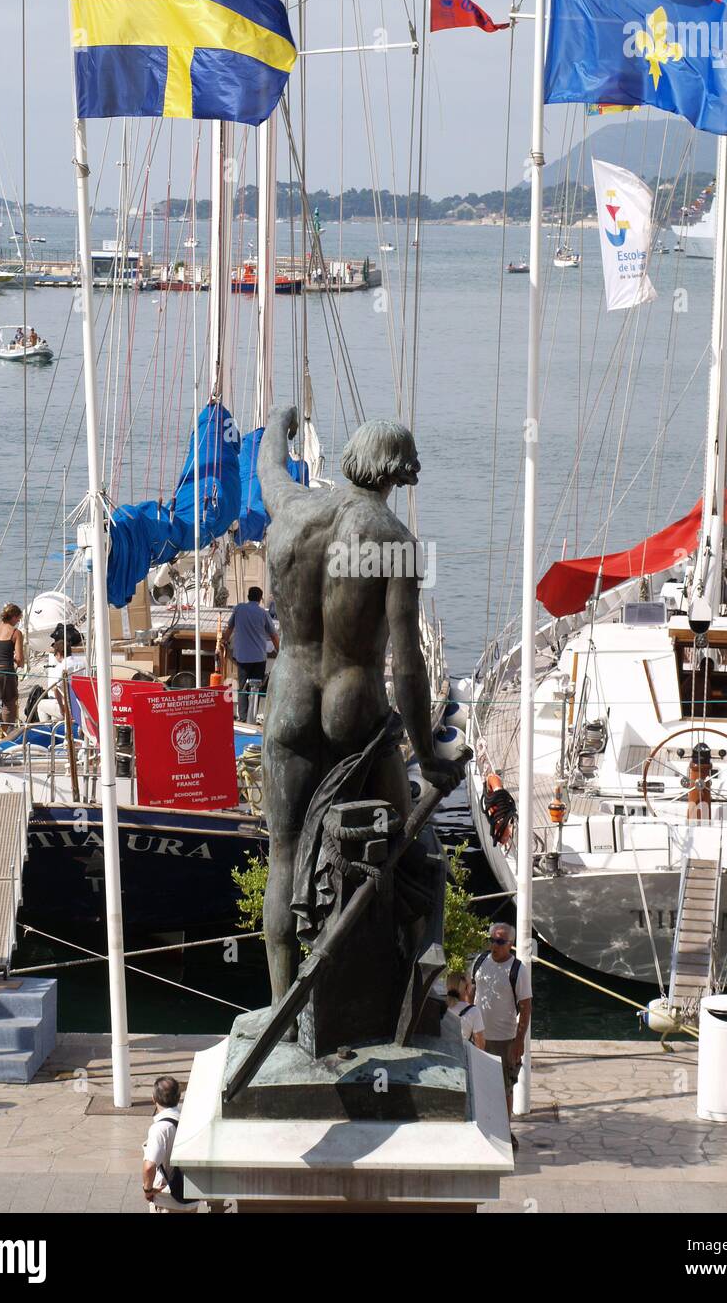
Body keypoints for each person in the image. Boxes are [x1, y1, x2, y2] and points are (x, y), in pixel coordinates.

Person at [257, 407, 469, 1005]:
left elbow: (269, 467)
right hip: (356, 704)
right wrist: (429, 757)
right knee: (407, 852)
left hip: (290, 694)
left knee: (283, 853)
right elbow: (408, 665)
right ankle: (410, 996)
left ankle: (282, 1004)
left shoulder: (291, 509)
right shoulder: (394, 542)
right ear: (398, 473)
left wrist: (280, 423)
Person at [472, 922, 532, 1144]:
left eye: (500, 941)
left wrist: (519, 1041)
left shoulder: (517, 970)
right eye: (492, 940)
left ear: (510, 944)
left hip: (504, 1040)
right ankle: (483, 1128)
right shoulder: (480, 962)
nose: (494, 945)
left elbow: (526, 1006)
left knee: (504, 1088)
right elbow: (471, 992)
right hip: (479, 1037)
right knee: (480, 1086)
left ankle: (505, 1131)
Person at [220, 586, 280, 723]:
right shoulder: (263, 613)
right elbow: (274, 635)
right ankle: (251, 719)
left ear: (248, 596)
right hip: (259, 657)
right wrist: (279, 652)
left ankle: (242, 718)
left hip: (243, 657)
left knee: (242, 688)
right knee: (255, 689)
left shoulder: (239, 609)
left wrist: (224, 640)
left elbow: (229, 628)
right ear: (260, 599)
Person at [141, 1076, 198, 1213]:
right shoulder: (190, 1121)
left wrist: (148, 1190)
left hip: (168, 1201)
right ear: (178, 1097)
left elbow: (149, 1167)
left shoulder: (160, 1129)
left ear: (154, 1098)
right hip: (192, 1196)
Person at [38, 634, 86, 724]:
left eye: (55, 655)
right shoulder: (82, 663)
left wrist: (61, 708)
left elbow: (55, 689)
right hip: (83, 706)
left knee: (41, 705)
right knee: (53, 710)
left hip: (69, 708)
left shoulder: (60, 667)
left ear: (59, 654)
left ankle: (47, 729)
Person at [445, 971, 485, 1049]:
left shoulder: (439, 1007)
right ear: (467, 987)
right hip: (461, 1054)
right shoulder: (474, 1012)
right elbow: (480, 1045)